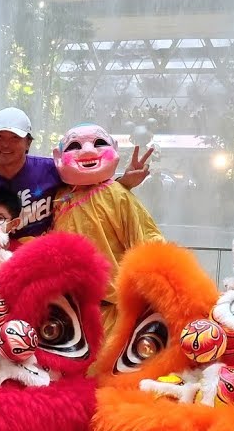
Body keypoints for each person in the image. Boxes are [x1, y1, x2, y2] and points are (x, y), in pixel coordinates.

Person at [0, 108, 149, 247]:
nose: (6, 144)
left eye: (14, 138)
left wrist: (124, 182)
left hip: (46, 263)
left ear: (28, 143)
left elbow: (90, 189)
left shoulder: (51, 170)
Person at [50, 123, 164, 338]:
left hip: (114, 310)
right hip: (68, 309)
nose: (88, 151)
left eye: (99, 143)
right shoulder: (59, 196)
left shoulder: (117, 195)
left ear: (114, 149)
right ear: (58, 156)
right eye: (75, 146)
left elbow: (147, 243)